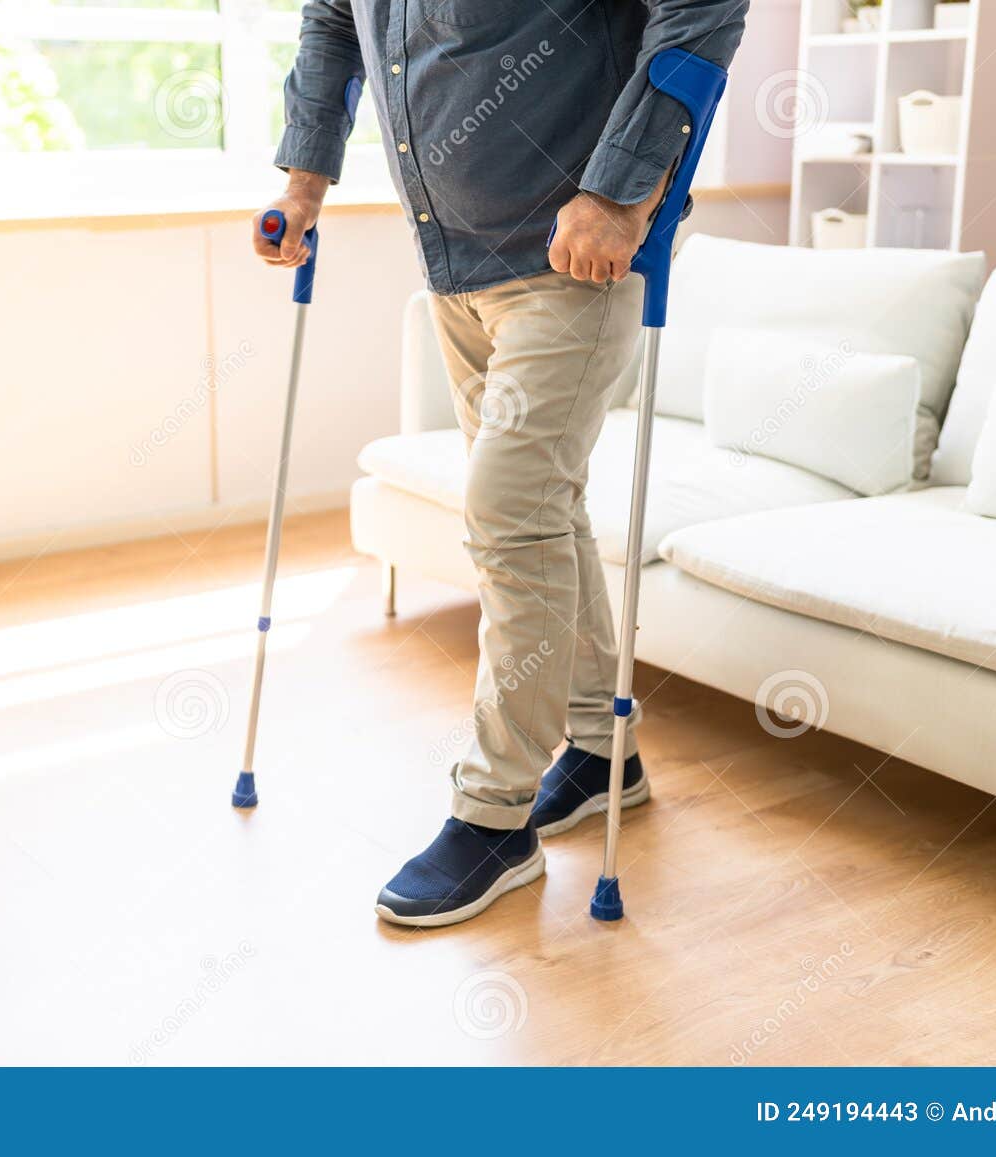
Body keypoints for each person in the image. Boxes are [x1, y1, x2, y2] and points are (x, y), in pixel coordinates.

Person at [255, 0, 747, 927]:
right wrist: (303, 187)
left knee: (509, 515)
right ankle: (605, 755)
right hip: (455, 267)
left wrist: (618, 193)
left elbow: (702, 12)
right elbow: (332, 26)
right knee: (545, 511)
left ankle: (494, 817)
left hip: (579, 260)